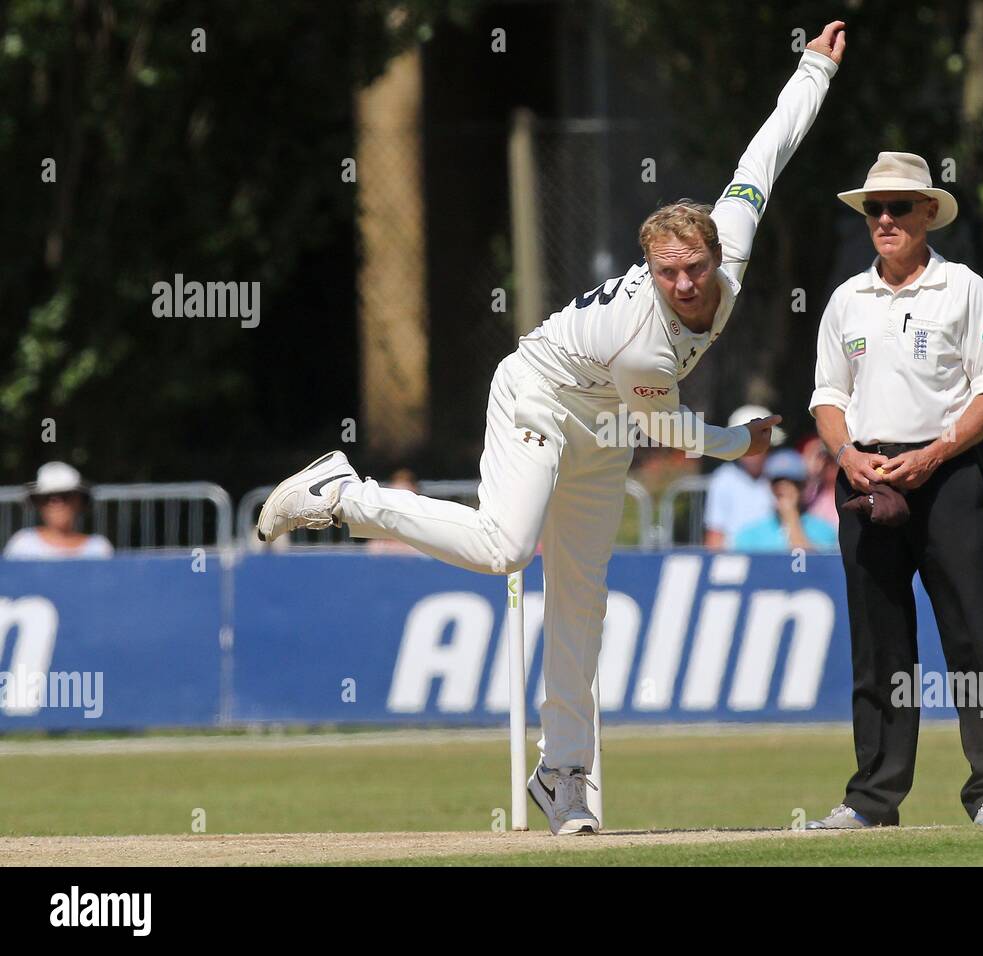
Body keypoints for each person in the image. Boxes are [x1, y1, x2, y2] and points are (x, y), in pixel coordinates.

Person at [256, 23, 846, 835]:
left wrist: (813, 67)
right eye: (666, 271)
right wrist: (740, 444)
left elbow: (763, 155)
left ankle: (565, 777)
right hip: (540, 395)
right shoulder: (645, 338)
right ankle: (345, 495)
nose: (682, 284)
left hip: (607, 427)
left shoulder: (729, 247)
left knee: (580, 606)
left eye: (693, 269)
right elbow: (669, 427)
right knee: (505, 548)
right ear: (648, 267)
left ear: (716, 254)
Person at [806, 151, 983, 828]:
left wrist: (935, 455)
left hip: (948, 477)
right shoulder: (847, 298)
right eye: (875, 207)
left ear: (929, 212)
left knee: (971, 639)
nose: (887, 218)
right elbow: (827, 395)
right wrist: (846, 455)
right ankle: (873, 799)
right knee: (879, 645)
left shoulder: (963, 288)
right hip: (868, 480)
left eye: (900, 206)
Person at [703, 404, 786, 549]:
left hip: (774, 556)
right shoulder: (723, 478)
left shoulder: (780, 475)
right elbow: (715, 534)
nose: (752, 451)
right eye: (747, 442)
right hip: (734, 559)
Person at [3, 462, 114, 560]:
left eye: (65, 495)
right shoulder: (22, 545)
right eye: (46, 496)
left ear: (80, 500)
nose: (56, 502)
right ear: (38, 503)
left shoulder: (99, 549)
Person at [733, 449, 837, 552]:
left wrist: (791, 518)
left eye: (792, 482)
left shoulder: (823, 530)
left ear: (803, 485)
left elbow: (811, 565)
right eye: (776, 482)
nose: (783, 488)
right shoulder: (750, 535)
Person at [365, 469, 423, 556]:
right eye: (394, 498)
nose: (398, 506)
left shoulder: (427, 542)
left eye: (405, 500)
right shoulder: (377, 546)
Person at [799, 434, 840, 529]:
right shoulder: (812, 492)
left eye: (833, 460)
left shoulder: (848, 491)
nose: (828, 465)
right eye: (826, 461)